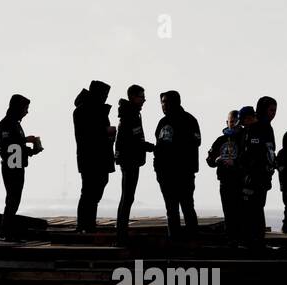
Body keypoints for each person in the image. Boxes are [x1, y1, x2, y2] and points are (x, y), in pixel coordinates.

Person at [153, 90, 202, 238]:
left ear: (176, 102)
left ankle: (192, 241)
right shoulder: (162, 122)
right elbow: (159, 146)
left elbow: (196, 142)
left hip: (184, 172)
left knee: (187, 207)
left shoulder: (189, 120)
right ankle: (174, 241)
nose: (164, 105)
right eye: (162, 102)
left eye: (166, 101)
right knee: (171, 209)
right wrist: (158, 168)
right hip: (165, 173)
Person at [0, 94, 43, 242]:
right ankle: (3, 234)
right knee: (11, 200)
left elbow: (18, 148)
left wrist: (31, 151)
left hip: (18, 165)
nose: (27, 112)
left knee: (14, 201)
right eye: (25, 108)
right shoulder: (6, 123)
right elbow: (8, 146)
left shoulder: (16, 124)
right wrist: (25, 140)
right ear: (18, 108)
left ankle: (8, 232)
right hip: (11, 167)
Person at [72, 80, 115, 232]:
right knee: (89, 192)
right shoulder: (84, 111)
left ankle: (87, 224)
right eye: (104, 94)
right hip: (91, 158)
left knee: (93, 192)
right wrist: (106, 133)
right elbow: (88, 135)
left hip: (97, 157)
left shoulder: (93, 110)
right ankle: (84, 225)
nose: (106, 98)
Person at [114, 85, 154, 244]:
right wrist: (151, 147)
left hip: (129, 159)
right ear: (133, 97)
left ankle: (121, 234)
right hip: (130, 160)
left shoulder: (129, 113)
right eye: (141, 96)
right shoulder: (131, 115)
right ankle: (121, 236)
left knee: (127, 197)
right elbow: (134, 141)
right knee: (127, 197)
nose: (144, 99)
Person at [236, 105, 274, 246]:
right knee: (249, 208)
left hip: (257, 177)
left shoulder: (261, 130)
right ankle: (250, 238)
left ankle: (257, 240)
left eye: (243, 121)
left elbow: (260, 155)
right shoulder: (248, 131)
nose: (243, 125)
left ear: (248, 118)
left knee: (256, 208)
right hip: (249, 176)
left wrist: (253, 174)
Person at [206, 110, 245, 240]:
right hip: (225, 181)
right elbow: (209, 160)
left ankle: (241, 239)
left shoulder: (245, 138)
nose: (233, 124)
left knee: (241, 213)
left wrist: (236, 163)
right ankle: (231, 240)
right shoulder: (220, 140)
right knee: (228, 213)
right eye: (231, 121)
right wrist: (216, 160)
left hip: (241, 182)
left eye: (236, 122)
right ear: (227, 122)